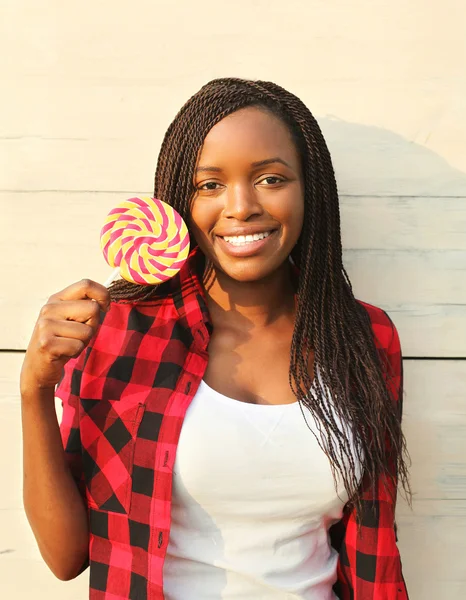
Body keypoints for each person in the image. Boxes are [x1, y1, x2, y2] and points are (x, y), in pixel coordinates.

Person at [20, 77, 411, 600]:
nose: (242, 206)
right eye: (210, 185)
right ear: (179, 199)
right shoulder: (122, 333)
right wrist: (34, 390)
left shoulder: (365, 338)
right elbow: (67, 557)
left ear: (309, 188)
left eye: (271, 179)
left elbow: (373, 555)